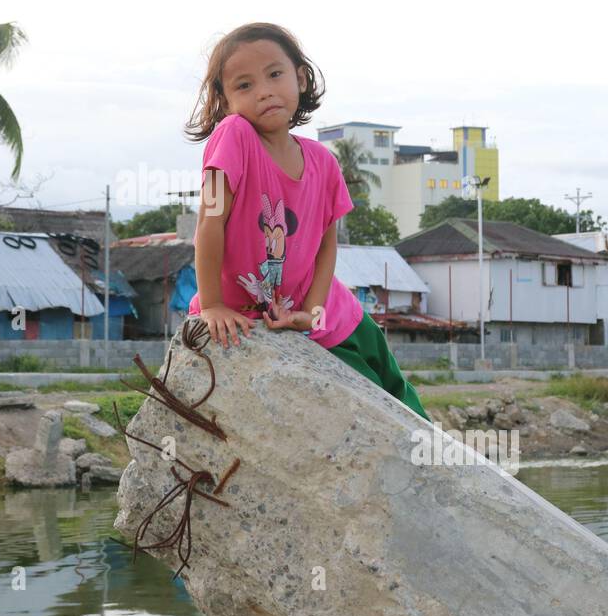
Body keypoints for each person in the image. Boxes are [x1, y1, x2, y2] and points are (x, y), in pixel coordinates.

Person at [184, 22, 430, 423]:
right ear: (225, 102)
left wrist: (313, 312)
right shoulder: (234, 137)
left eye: (275, 75)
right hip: (249, 310)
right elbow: (209, 222)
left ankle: (441, 457)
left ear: (300, 77)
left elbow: (326, 245)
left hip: (325, 306)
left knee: (392, 384)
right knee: (365, 400)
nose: (263, 90)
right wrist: (211, 305)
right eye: (244, 86)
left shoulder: (323, 162)